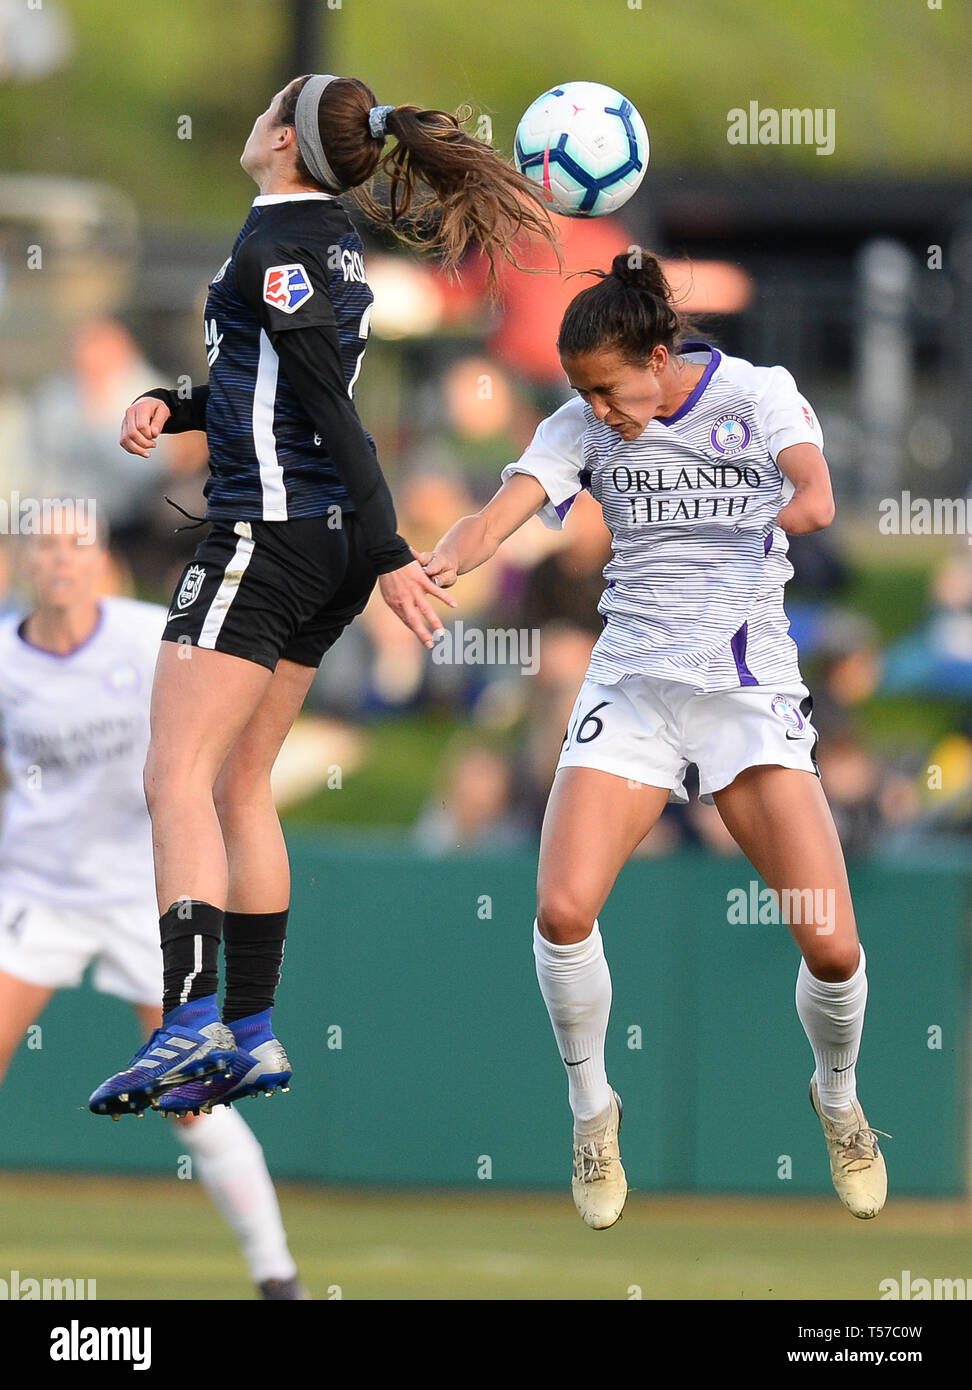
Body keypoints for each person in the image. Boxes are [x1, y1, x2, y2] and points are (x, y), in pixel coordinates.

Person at [89, 73, 558, 1118]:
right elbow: (267, 386)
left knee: (175, 774)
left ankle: (187, 1019)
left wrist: (392, 547)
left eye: (266, 111)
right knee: (240, 783)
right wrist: (171, 404)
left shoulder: (279, 242)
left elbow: (322, 409)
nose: (251, 121)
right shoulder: (321, 238)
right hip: (319, 540)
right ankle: (250, 1031)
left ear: (286, 145)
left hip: (271, 533)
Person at [416, 250, 888, 1228]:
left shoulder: (757, 395)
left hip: (745, 694)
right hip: (630, 689)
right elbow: (501, 511)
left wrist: (743, 505)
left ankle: (838, 1099)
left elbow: (816, 499)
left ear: (662, 355)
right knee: (560, 907)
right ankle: (594, 1109)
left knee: (834, 946)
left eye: (608, 387)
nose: (597, 408)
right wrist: (444, 559)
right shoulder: (579, 423)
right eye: (579, 391)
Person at [0, 530, 305, 1298]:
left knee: (192, 1099)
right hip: (36, 889)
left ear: (100, 560)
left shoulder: (151, 638)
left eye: (75, 546)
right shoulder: (5, 656)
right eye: (44, 547)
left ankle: (278, 1276)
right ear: (21, 563)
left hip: (143, 889)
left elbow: (220, 736)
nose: (60, 562)